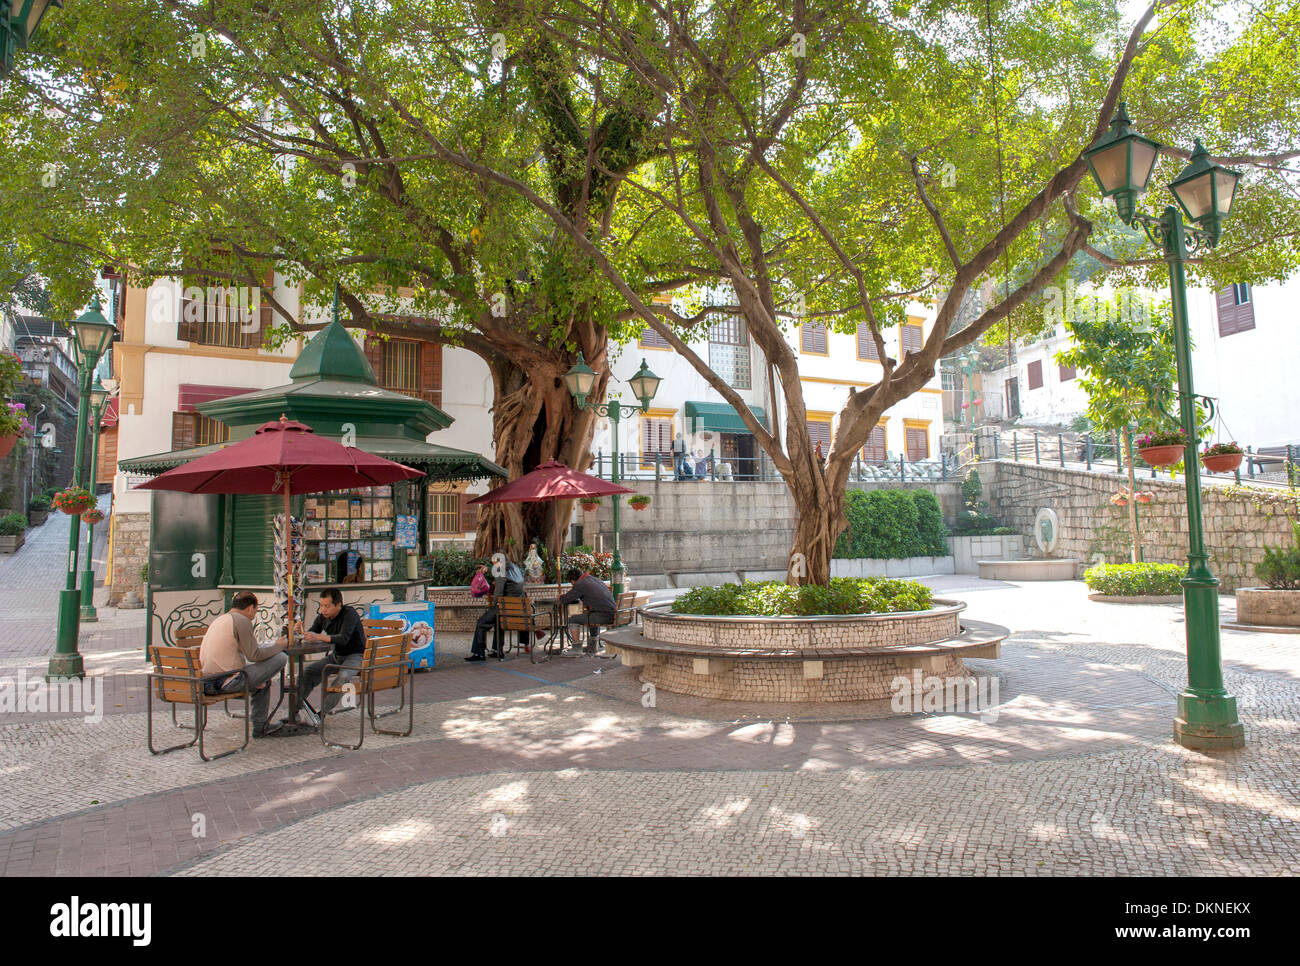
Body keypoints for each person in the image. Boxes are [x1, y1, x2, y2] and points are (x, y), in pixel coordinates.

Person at [198, 592, 288, 738]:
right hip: (228, 681)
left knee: (263, 682)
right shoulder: (242, 620)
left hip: (208, 681)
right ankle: (260, 727)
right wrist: (279, 646)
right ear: (251, 608)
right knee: (281, 658)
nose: (254, 615)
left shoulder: (221, 619)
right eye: (256, 611)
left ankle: (261, 726)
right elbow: (254, 655)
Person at [294, 588, 367, 725]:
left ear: (338, 604)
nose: (323, 610)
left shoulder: (349, 613)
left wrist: (319, 636)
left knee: (343, 676)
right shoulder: (323, 616)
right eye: (321, 606)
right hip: (336, 656)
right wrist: (302, 632)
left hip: (355, 656)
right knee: (307, 672)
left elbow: (343, 638)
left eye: (327, 606)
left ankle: (321, 714)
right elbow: (313, 632)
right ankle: (294, 712)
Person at [467, 555, 525, 661]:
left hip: (504, 607)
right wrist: (487, 569)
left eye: (494, 564)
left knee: (481, 622)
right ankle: (498, 650)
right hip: (515, 609)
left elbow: (498, 593)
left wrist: (494, 606)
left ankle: (478, 653)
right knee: (499, 621)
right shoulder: (515, 568)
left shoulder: (501, 572)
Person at [556, 569, 616, 655]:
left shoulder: (580, 584)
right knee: (590, 614)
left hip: (604, 616)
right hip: (613, 614)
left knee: (573, 619)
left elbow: (566, 599)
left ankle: (576, 649)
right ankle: (593, 646)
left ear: (572, 581)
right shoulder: (594, 579)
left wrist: (560, 597)